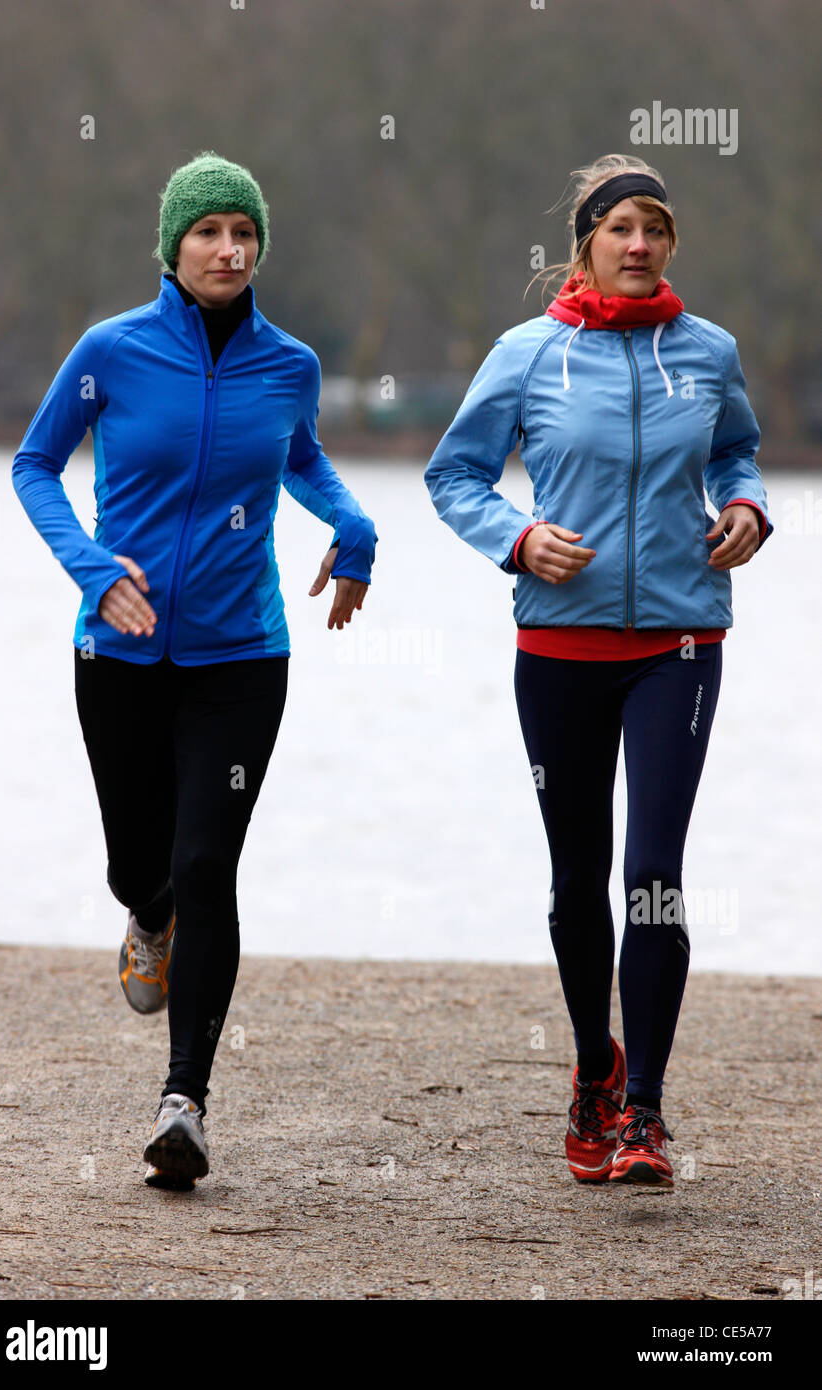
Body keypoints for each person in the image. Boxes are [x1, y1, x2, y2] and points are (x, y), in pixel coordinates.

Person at [12, 151, 377, 1190]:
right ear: (173, 246)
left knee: (209, 857)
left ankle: (186, 1101)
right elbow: (34, 464)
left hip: (240, 653)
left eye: (243, 231)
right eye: (210, 231)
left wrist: (350, 523)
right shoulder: (109, 352)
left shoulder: (288, 363)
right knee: (143, 861)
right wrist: (90, 567)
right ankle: (147, 913)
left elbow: (296, 453)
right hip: (118, 647)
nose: (229, 248)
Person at [424, 153, 772, 1188]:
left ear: (669, 244)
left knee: (652, 878)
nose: (637, 244)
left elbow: (737, 453)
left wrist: (747, 507)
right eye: (618, 226)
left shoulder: (706, 352)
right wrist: (516, 538)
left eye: (654, 228)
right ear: (584, 242)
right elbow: (454, 474)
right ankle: (591, 1068)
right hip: (559, 646)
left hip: (677, 644)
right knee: (576, 877)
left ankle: (645, 1116)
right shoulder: (527, 354)